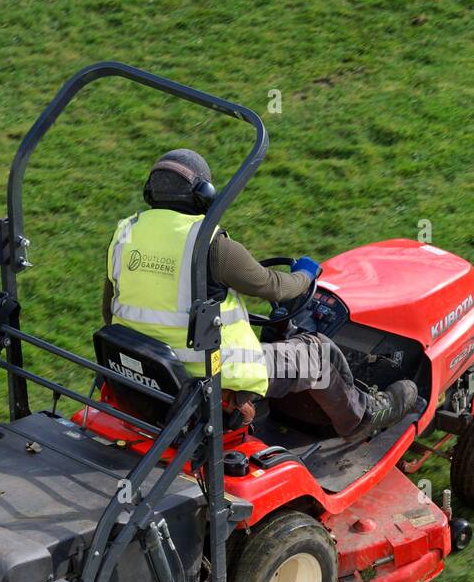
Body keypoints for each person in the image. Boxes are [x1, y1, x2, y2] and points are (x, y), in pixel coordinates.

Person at [103, 148, 418, 440]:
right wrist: (306, 275)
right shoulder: (209, 244)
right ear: (203, 196)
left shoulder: (125, 233)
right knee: (319, 354)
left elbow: (110, 309)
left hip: (147, 370)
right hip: (211, 375)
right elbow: (276, 288)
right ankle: (362, 418)